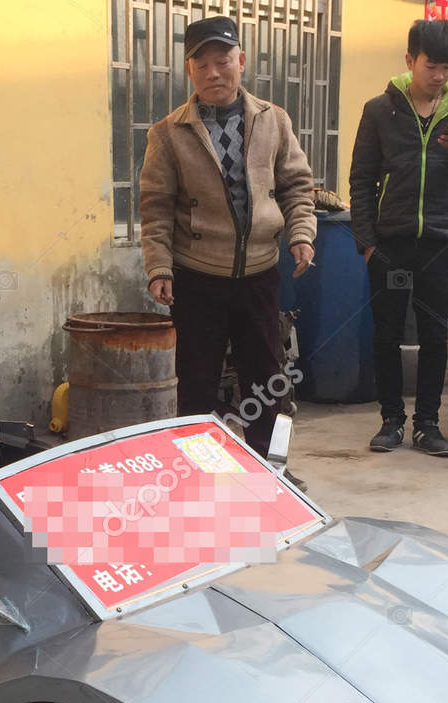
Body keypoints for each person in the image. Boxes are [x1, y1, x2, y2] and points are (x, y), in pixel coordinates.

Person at [139, 15, 316, 459]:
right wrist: (159, 266)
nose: (213, 73)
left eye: (223, 62)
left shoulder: (273, 120)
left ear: (242, 61)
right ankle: (193, 469)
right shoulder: (168, 133)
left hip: (259, 272)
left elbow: (296, 185)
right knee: (195, 382)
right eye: (202, 66)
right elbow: (156, 207)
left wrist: (301, 233)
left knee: (268, 381)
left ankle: (272, 467)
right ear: (189, 71)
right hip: (197, 277)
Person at [349, 19, 448, 456]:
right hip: (390, 243)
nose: (441, 76)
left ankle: (428, 424)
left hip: (440, 241)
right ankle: (391, 420)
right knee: (386, 333)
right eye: (432, 66)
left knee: (435, 335)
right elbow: (362, 179)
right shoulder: (380, 110)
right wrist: (367, 243)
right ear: (410, 61)